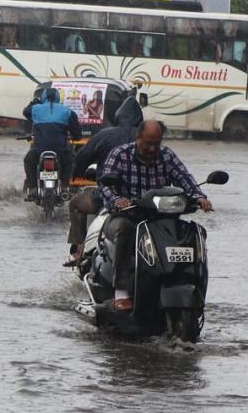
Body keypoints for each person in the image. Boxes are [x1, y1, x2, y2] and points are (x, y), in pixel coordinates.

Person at [96, 120, 213, 312]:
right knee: (124, 230)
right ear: (138, 138)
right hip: (127, 216)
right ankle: (121, 292)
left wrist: (200, 198)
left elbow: (185, 178)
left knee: (193, 232)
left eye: (156, 144)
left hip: (161, 218)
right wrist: (118, 200)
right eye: (148, 144)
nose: (152, 149)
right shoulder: (120, 154)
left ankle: (189, 281)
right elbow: (105, 185)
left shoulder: (167, 155)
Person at [63, 92, 144, 266]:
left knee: (76, 204)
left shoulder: (105, 135)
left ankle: (78, 251)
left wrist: (76, 174)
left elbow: (82, 157)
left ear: (118, 117)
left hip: (108, 197)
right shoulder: (148, 139)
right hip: (144, 200)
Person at [21, 85, 81, 199]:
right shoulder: (68, 112)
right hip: (60, 150)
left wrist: (35, 101)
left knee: (28, 161)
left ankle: (33, 189)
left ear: (43, 97)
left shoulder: (35, 109)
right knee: (70, 161)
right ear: (59, 98)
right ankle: (64, 187)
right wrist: (75, 136)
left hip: (39, 150)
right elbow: (78, 135)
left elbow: (25, 112)